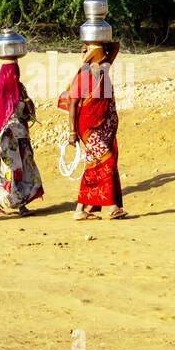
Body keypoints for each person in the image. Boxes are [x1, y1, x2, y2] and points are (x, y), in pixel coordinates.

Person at [61, 41, 126, 220]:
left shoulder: (103, 70)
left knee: (93, 165)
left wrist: (97, 39)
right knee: (108, 161)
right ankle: (112, 207)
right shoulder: (83, 76)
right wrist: (72, 132)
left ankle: (80, 210)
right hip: (88, 128)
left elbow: (116, 46)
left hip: (104, 126)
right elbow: (73, 104)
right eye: (98, 60)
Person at [0, 59, 44, 215]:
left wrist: (25, 95)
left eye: (16, 73)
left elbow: (30, 112)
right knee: (11, 170)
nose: (15, 76)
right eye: (12, 73)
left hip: (22, 137)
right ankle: (15, 206)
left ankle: (3, 203)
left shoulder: (21, 91)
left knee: (25, 169)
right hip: (7, 137)